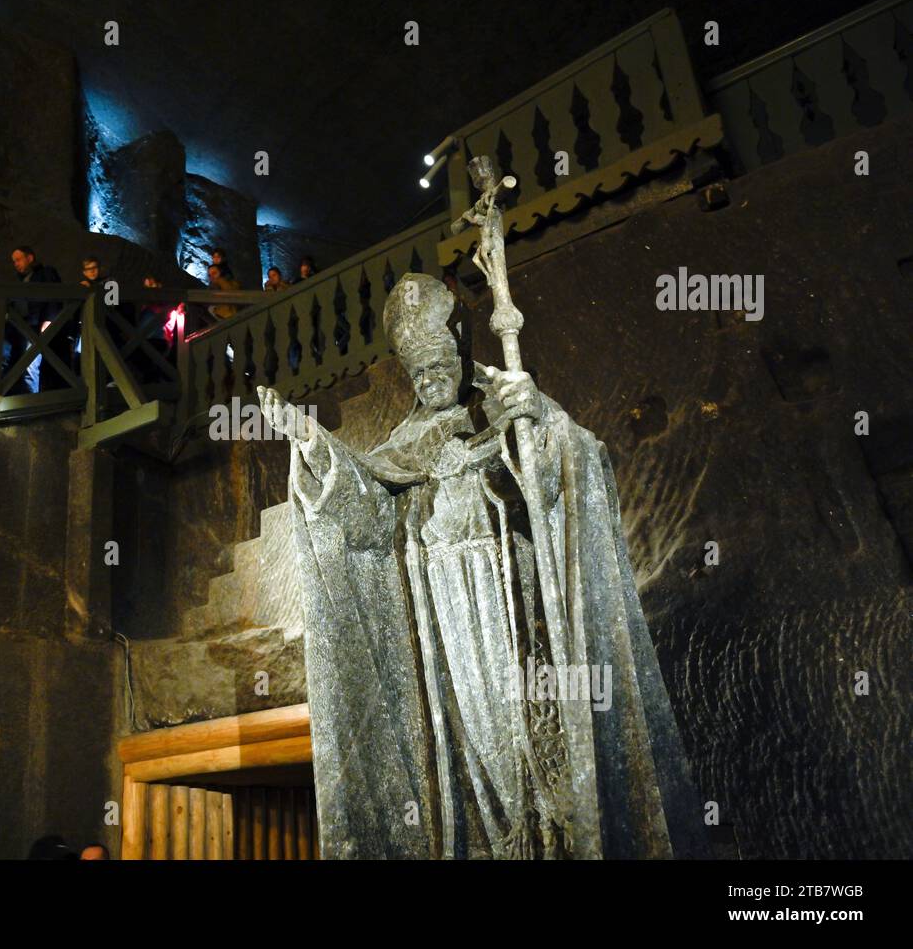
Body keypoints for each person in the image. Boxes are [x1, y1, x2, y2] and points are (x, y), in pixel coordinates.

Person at [257, 272, 708, 860]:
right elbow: (365, 513)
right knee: (468, 748)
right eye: (418, 373)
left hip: (514, 607)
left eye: (439, 366)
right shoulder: (406, 442)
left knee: (535, 743)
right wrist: (314, 444)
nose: (429, 380)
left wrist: (539, 420)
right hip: (444, 618)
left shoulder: (505, 410)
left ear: (461, 355)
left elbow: (576, 471)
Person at [9, 245, 62, 394]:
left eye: (18, 260)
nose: (16, 264)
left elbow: (55, 295)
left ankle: (32, 400)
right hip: (23, 326)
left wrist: (49, 319)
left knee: (30, 365)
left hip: (37, 325)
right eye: (14, 261)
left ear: (30, 258)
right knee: (24, 364)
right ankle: (27, 398)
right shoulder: (19, 280)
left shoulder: (46, 273)